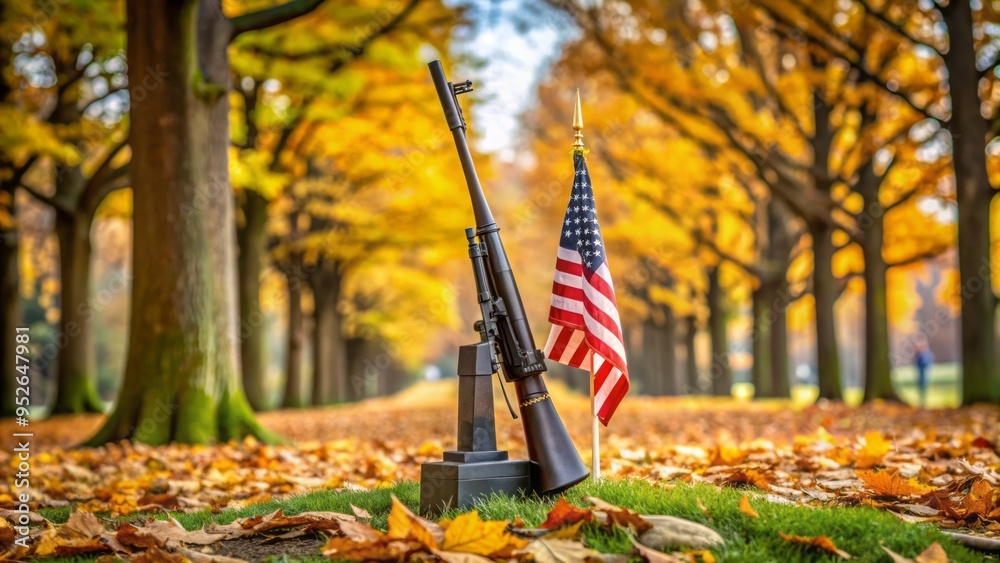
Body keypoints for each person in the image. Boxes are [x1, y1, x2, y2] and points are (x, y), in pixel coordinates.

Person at [915, 342, 934, 408]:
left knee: (924, 386)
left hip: (924, 372)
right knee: (920, 387)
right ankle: (921, 401)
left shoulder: (926, 354)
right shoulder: (919, 354)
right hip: (920, 373)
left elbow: (925, 363)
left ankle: (923, 401)